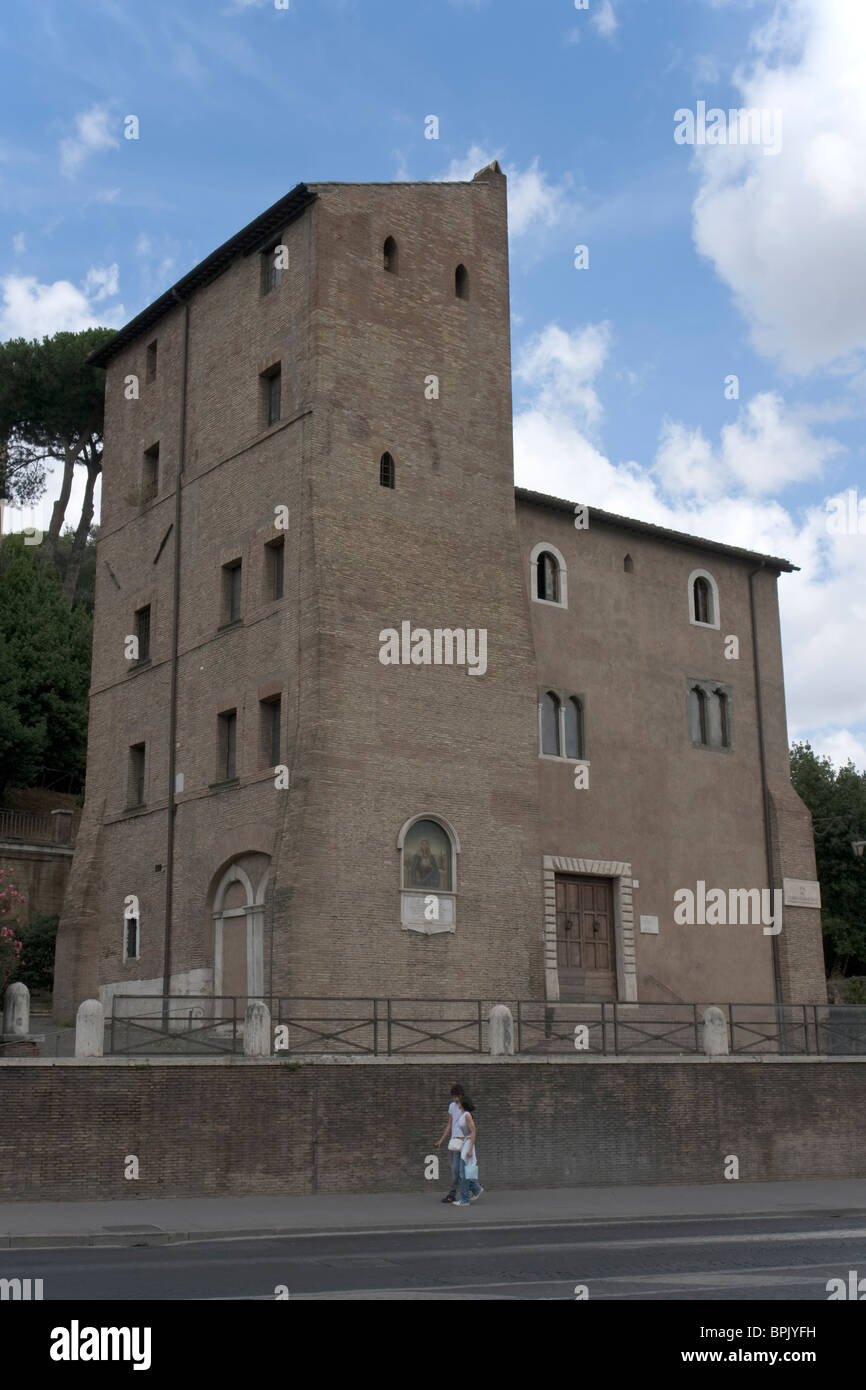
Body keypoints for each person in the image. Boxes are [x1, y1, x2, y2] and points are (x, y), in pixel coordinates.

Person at [434, 1083, 467, 1203]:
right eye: (453, 1097)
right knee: (456, 1170)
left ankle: (453, 1194)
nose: (455, 1099)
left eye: (457, 1096)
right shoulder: (452, 1106)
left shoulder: (465, 1107)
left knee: (457, 1170)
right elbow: (449, 1124)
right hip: (453, 1143)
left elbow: (470, 1125)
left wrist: (468, 1142)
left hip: (462, 1142)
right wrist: (441, 1140)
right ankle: (474, 1188)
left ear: (461, 1095)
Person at [452, 1096, 483, 1206]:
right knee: (462, 1172)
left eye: (459, 1102)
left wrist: (470, 1149)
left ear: (463, 1103)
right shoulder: (463, 1114)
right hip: (465, 1142)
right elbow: (467, 1133)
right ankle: (476, 1189)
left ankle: (465, 1199)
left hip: (468, 1145)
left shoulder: (467, 1115)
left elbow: (473, 1131)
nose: (457, 1103)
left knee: (463, 1173)